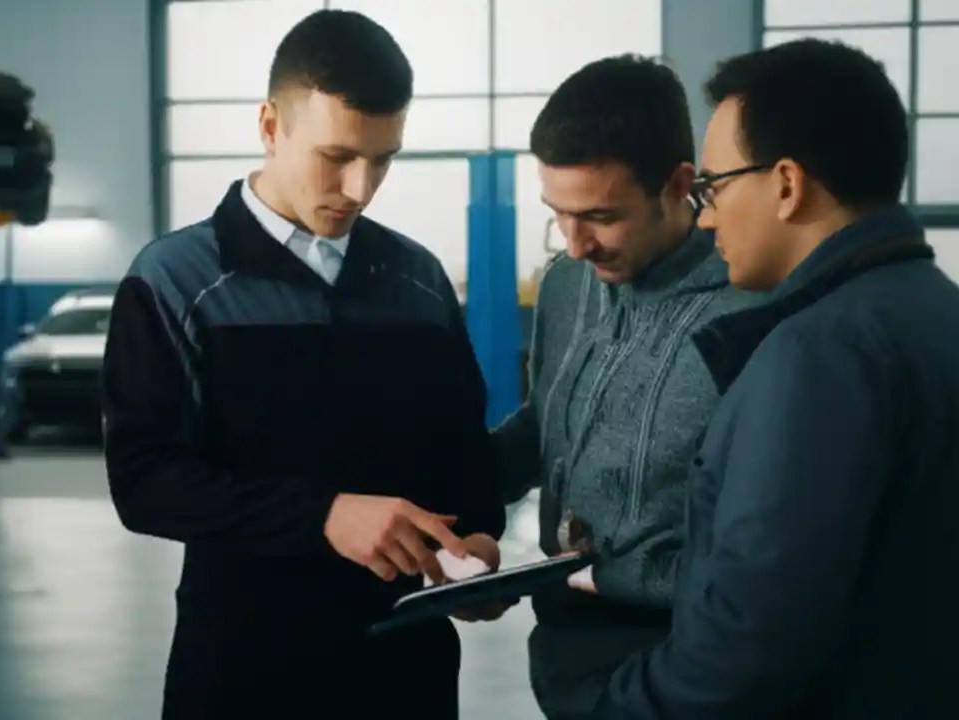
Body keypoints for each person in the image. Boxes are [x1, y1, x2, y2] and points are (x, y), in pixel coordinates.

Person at [101, 10, 505, 720]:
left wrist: (476, 545)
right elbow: (145, 482)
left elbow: (462, 454)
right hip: (243, 673)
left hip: (406, 673)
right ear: (269, 126)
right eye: (336, 156)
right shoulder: (174, 281)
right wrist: (322, 516)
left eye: (383, 160)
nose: (360, 188)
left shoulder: (418, 280)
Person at [593, 38, 959, 719]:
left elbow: (747, 645)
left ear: (787, 185)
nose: (706, 215)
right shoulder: (934, 309)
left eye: (714, 187)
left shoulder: (820, 354)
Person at [491, 55, 760, 718]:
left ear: (678, 186)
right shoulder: (566, 284)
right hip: (563, 654)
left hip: (685, 665)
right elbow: (545, 423)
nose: (576, 245)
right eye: (559, 215)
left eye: (601, 217)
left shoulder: (751, 307)